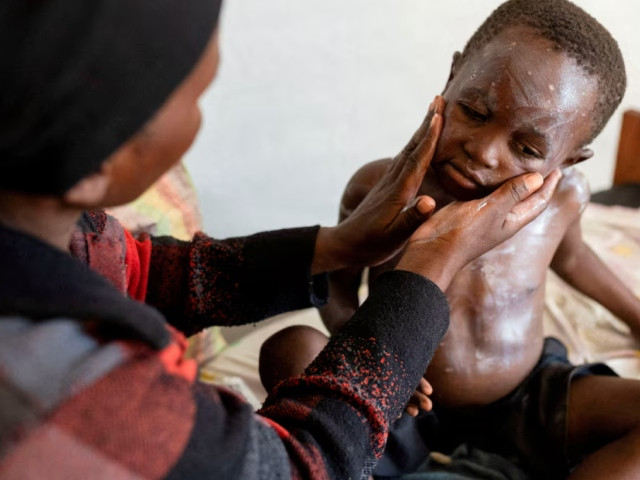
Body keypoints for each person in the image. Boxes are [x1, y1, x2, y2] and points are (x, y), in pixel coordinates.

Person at [0, 1, 561, 478]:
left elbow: (140, 273)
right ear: (99, 160)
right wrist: (426, 275)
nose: (487, 154)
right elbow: (299, 466)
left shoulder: (57, 234)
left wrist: (337, 245)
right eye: (196, 99)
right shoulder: (85, 394)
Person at [259, 1, 640, 479]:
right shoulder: (382, 189)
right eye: (475, 111)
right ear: (454, 74)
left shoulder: (562, 200)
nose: (482, 151)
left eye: (526, 149)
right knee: (290, 347)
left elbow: (576, 257)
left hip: (522, 395)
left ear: (569, 161)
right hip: (396, 395)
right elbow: (335, 288)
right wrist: (364, 353)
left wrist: (636, 316)